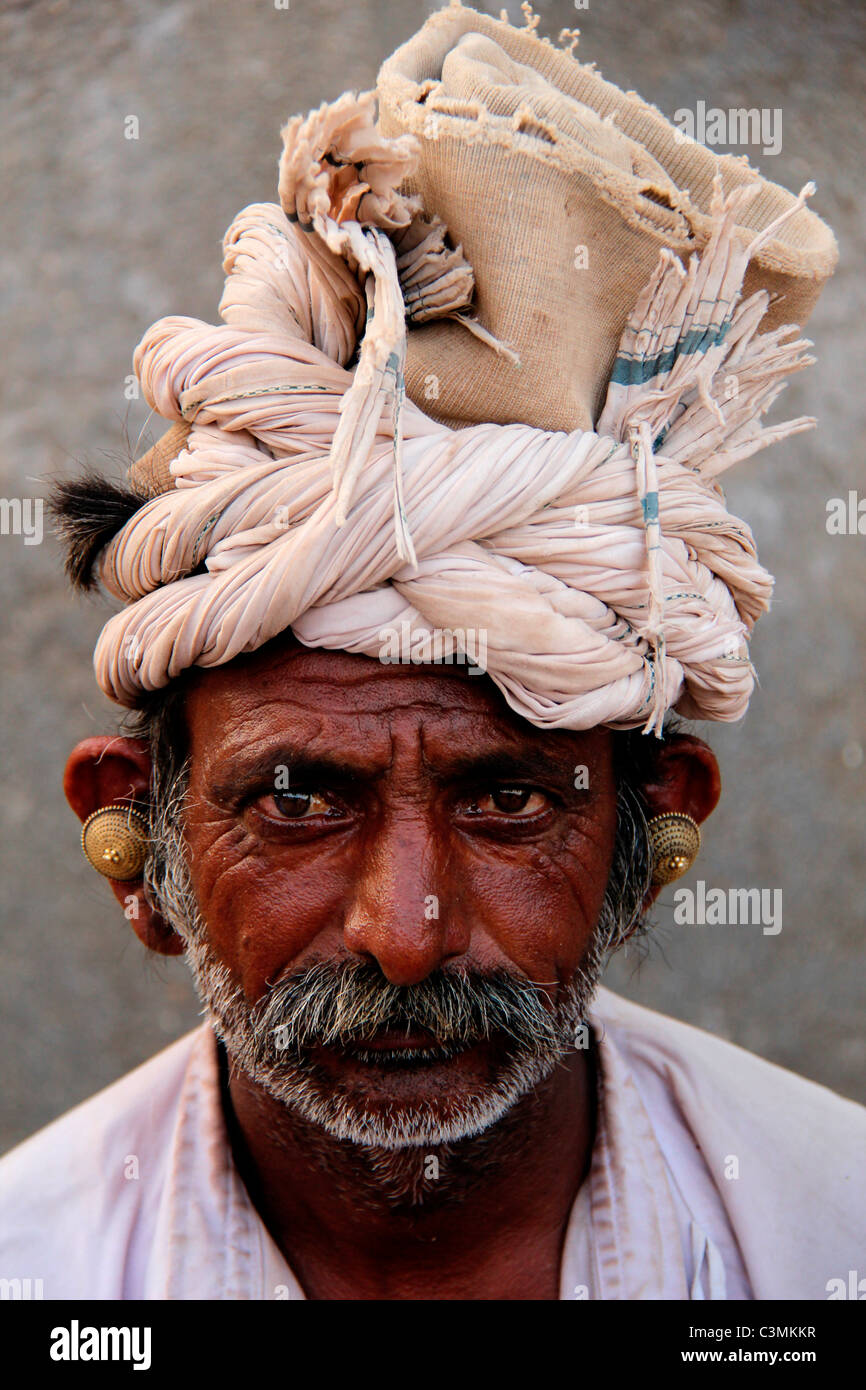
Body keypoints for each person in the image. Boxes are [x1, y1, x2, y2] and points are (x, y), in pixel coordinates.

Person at [0, 2, 861, 1300]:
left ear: (653, 838)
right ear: (136, 843)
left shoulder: (823, 1236)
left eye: (508, 797)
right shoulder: (34, 1270)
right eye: (295, 799)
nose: (406, 932)